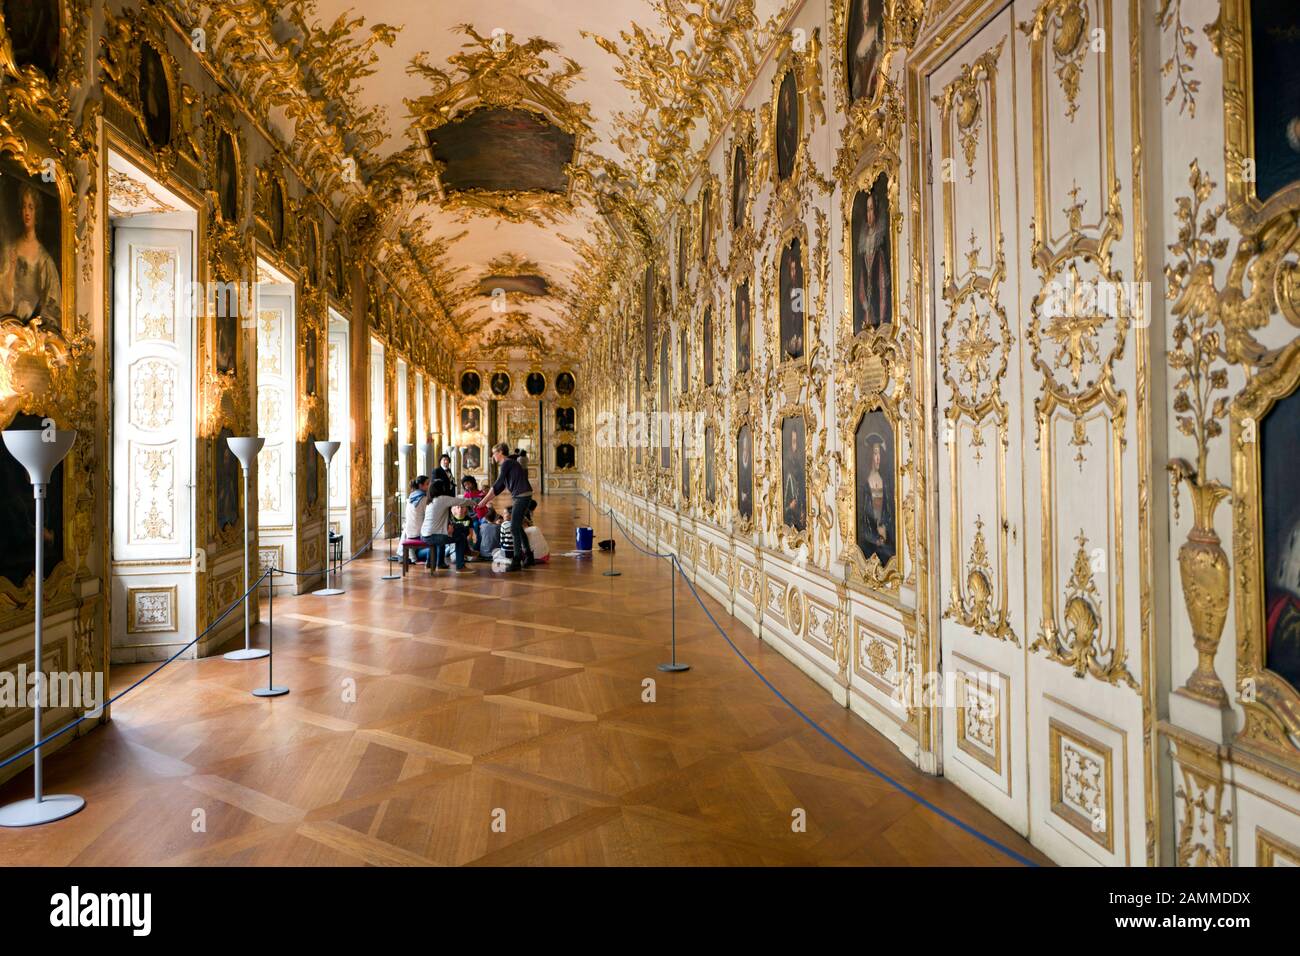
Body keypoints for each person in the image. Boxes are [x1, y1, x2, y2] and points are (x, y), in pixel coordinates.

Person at [0, 182, 61, 322]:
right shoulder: (9, 249)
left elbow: (52, 308)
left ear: (36, 212)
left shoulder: (44, 260)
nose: (26, 212)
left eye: (31, 207)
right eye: (24, 206)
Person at [478, 442, 534, 571]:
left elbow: (497, 484)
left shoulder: (507, 463)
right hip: (522, 495)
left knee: (514, 527)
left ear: (500, 452)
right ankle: (529, 556)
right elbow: (499, 488)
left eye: (494, 453)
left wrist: (483, 501)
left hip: (522, 496)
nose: (493, 456)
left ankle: (516, 559)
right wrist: (485, 501)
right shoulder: (510, 464)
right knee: (518, 526)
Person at [420, 477, 477, 573]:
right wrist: (475, 503)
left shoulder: (431, 500)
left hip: (425, 534)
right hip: (434, 536)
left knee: (461, 527)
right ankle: (460, 566)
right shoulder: (442, 499)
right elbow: (461, 501)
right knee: (461, 537)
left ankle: (431, 562)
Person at [403, 475, 431, 565]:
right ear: (420, 486)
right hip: (419, 533)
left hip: (409, 532)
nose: (429, 485)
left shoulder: (410, 497)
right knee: (439, 545)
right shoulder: (424, 499)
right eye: (427, 484)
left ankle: (414, 558)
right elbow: (429, 516)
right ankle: (421, 559)